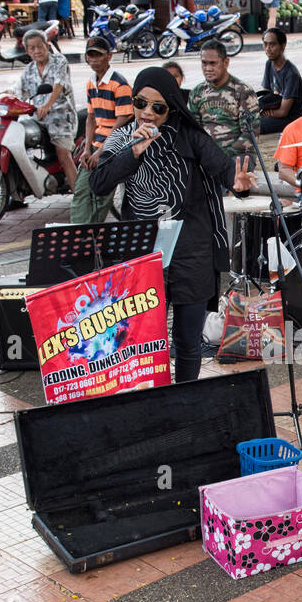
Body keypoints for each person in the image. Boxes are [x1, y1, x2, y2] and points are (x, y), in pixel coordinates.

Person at [88, 67, 256, 382]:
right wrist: (134, 151)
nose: (147, 113)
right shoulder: (122, 137)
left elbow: (222, 168)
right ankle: (155, 400)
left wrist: (238, 181)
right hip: (142, 252)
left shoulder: (188, 135)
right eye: (140, 103)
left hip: (191, 250)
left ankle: (187, 398)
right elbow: (98, 182)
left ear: (172, 108)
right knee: (142, 339)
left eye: (158, 107)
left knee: (188, 341)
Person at [72, 37, 133, 225]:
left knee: (100, 196)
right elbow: (91, 118)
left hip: (115, 146)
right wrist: (87, 149)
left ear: (109, 56)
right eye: (90, 55)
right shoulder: (91, 83)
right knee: (81, 190)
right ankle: (77, 234)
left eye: (98, 55)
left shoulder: (119, 84)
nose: (94, 60)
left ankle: (89, 238)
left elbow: (122, 121)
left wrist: (102, 151)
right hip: (97, 144)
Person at [14, 29, 77, 190]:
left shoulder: (59, 61)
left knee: (63, 154)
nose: (36, 51)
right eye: (32, 48)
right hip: (37, 118)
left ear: (47, 46)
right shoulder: (29, 70)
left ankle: (80, 200)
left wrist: (48, 104)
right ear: (27, 51)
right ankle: (17, 194)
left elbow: (59, 84)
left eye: (39, 47)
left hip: (61, 116)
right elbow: (18, 91)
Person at [187, 40, 259, 157]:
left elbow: (250, 134)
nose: (208, 68)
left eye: (213, 63)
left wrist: (223, 155)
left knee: (235, 169)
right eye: (204, 63)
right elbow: (193, 130)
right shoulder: (196, 92)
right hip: (206, 154)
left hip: (237, 154)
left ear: (226, 62)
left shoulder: (243, 91)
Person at [259, 28, 302, 134]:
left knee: (252, 126)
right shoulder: (269, 64)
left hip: (289, 120)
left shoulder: (291, 73)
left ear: (283, 45)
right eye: (265, 44)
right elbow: (266, 94)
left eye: (272, 44)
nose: (268, 49)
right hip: (274, 113)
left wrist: (267, 113)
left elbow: (283, 112)